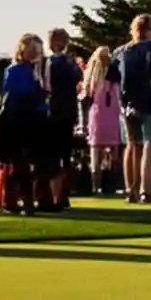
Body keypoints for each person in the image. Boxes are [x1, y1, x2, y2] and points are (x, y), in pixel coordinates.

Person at [116, 13, 151, 204]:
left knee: (132, 145)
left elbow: (116, 77)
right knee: (150, 147)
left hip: (129, 104)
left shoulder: (122, 51)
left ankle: (129, 189)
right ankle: (145, 191)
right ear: (150, 30)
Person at [0, 33, 49, 215]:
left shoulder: (41, 69)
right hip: (17, 120)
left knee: (30, 164)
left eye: (37, 49)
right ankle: (14, 201)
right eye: (31, 49)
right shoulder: (15, 70)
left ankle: (26, 200)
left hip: (35, 120)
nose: (34, 53)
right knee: (17, 164)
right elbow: (19, 94)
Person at [43, 28, 82, 210]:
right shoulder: (67, 65)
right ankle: (62, 194)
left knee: (55, 155)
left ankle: (56, 194)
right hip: (65, 113)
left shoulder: (48, 63)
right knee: (63, 156)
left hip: (54, 113)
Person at [83, 46, 122, 196]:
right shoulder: (112, 78)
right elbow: (118, 98)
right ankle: (109, 185)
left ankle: (96, 186)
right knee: (112, 153)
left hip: (97, 115)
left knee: (96, 154)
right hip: (109, 115)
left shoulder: (92, 80)